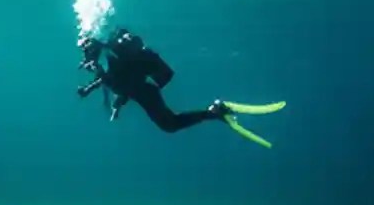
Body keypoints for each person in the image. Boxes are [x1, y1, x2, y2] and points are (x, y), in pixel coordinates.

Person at [76, 27, 286, 147]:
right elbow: (121, 84)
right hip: (142, 90)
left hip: (145, 91)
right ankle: (215, 113)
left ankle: (216, 112)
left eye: (87, 52)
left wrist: (89, 89)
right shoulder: (107, 61)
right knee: (170, 124)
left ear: (93, 47)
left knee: (170, 124)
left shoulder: (107, 58)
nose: (86, 59)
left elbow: (114, 79)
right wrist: (116, 106)